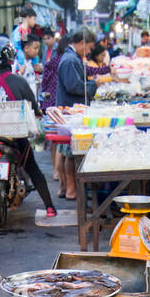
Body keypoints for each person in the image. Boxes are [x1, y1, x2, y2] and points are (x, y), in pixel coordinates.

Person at [0, 35, 56, 220]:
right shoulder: (20, 82)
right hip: (15, 138)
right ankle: (50, 207)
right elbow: (34, 108)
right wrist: (38, 112)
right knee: (33, 169)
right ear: (11, 58)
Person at [56, 28, 96, 201]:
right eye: (88, 48)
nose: (88, 52)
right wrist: (94, 86)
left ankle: (65, 188)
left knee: (66, 151)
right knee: (71, 153)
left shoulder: (70, 58)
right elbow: (74, 86)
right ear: (82, 43)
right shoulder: (70, 60)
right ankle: (71, 189)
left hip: (69, 110)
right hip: (70, 111)